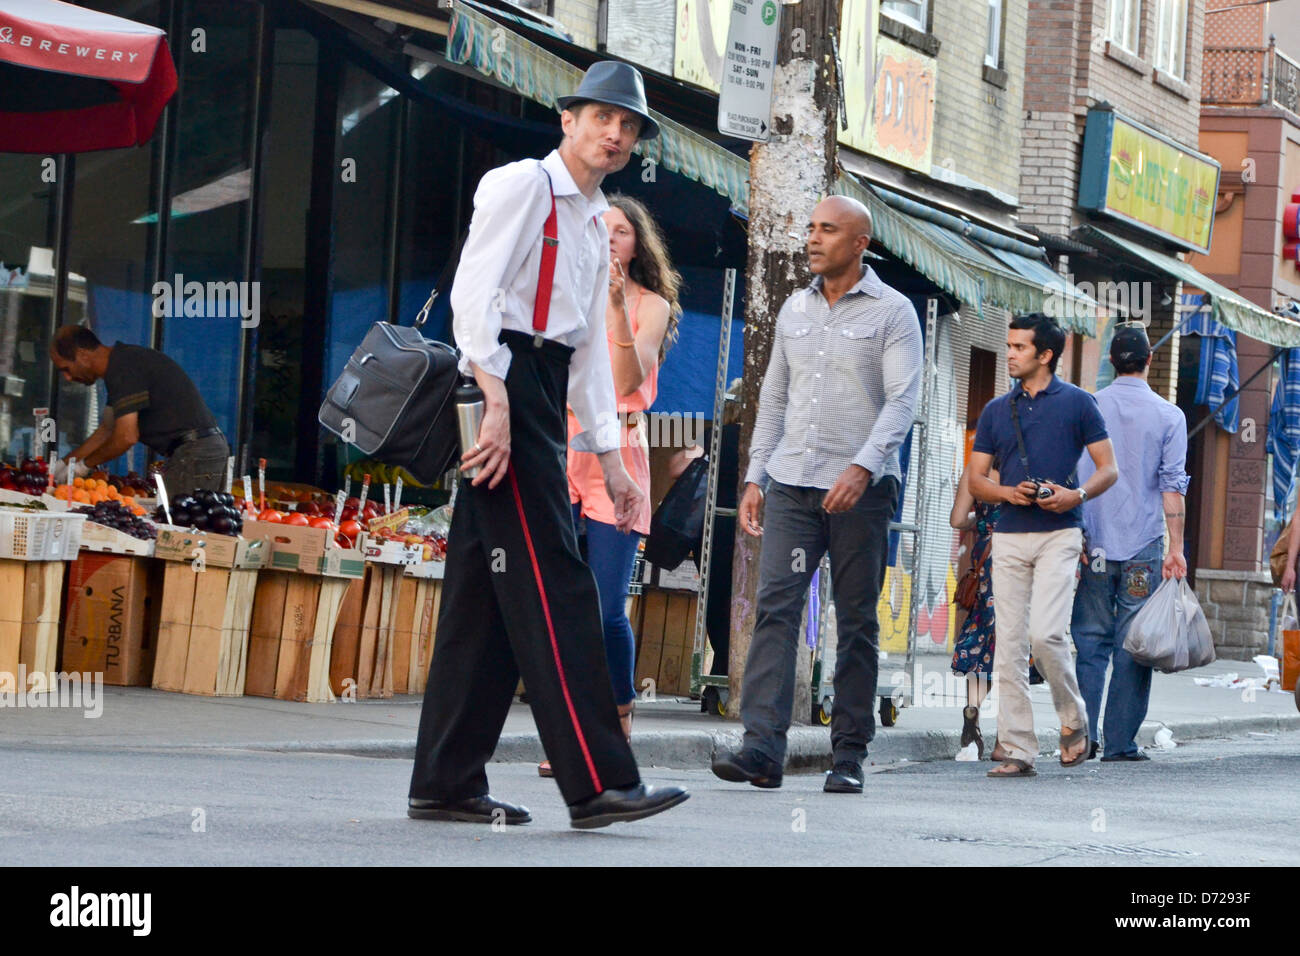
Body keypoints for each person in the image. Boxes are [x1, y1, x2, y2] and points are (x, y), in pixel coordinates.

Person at [407, 61, 688, 829]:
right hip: (502, 377)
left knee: (483, 593)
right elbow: (475, 292)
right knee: (558, 578)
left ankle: (445, 779)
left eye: (628, 126)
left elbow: (590, 356)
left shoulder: (597, 222)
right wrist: (489, 393)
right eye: (603, 117)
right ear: (568, 118)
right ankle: (599, 782)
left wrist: (609, 460)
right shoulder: (524, 185)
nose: (616, 133)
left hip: (541, 387)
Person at [711, 195, 922, 794]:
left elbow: (902, 401)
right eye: (811, 228)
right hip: (792, 487)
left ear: (860, 243)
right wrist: (755, 477)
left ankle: (849, 754)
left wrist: (862, 467)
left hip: (861, 494)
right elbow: (773, 398)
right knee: (775, 610)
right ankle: (761, 750)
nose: (813, 238)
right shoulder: (792, 309)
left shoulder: (893, 312)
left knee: (854, 620)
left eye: (828, 230)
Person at [536, 194, 681, 777]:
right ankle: (572, 736)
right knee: (561, 610)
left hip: (618, 459)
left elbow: (626, 380)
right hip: (560, 453)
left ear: (636, 246)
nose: (612, 240)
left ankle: (619, 713)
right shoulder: (570, 296)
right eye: (604, 231)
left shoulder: (653, 306)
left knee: (602, 610)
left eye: (622, 233)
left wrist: (618, 303)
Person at [968, 313, 1118, 778]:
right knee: (1009, 645)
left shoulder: (1079, 404)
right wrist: (1007, 493)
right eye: (1008, 346)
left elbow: (1108, 468)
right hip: (1009, 535)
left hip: (1061, 532)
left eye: (1019, 347)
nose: (1010, 354)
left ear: (1045, 355)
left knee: (1046, 635)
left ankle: (1073, 721)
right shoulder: (996, 409)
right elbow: (975, 479)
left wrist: (1078, 495)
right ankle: (1017, 748)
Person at [1071, 326, 1189, 762]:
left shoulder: (1088, 405)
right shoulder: (1169, 416)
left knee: (1088, 639)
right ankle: (1119, 742)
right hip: (1142, 545)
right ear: (1149, 362)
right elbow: (1172, 487)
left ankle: (1081, 738)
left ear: (1111, 363)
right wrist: (1175, 547)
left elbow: (1070, 473)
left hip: (1092, 543)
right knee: (1133, 643)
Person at [48, 326, 228, 498]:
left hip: (195, 451)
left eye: (66, 369)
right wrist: (63, 465)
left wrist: (84, 466)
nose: (68, 377)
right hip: (201, 449)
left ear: (83, 355)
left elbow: (126, 437)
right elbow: (106, 430)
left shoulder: (124, 368)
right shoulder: (121, 364)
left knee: (176, 525)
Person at [949, 465, 1000, 758]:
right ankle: (1007, 737)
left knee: (982, 640)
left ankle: (973, 712)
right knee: (1010, 646)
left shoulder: (975, 470)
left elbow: (957, 520)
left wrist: (981, 521)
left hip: (985, 564)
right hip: (1016, 560)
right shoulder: (1023, 468)